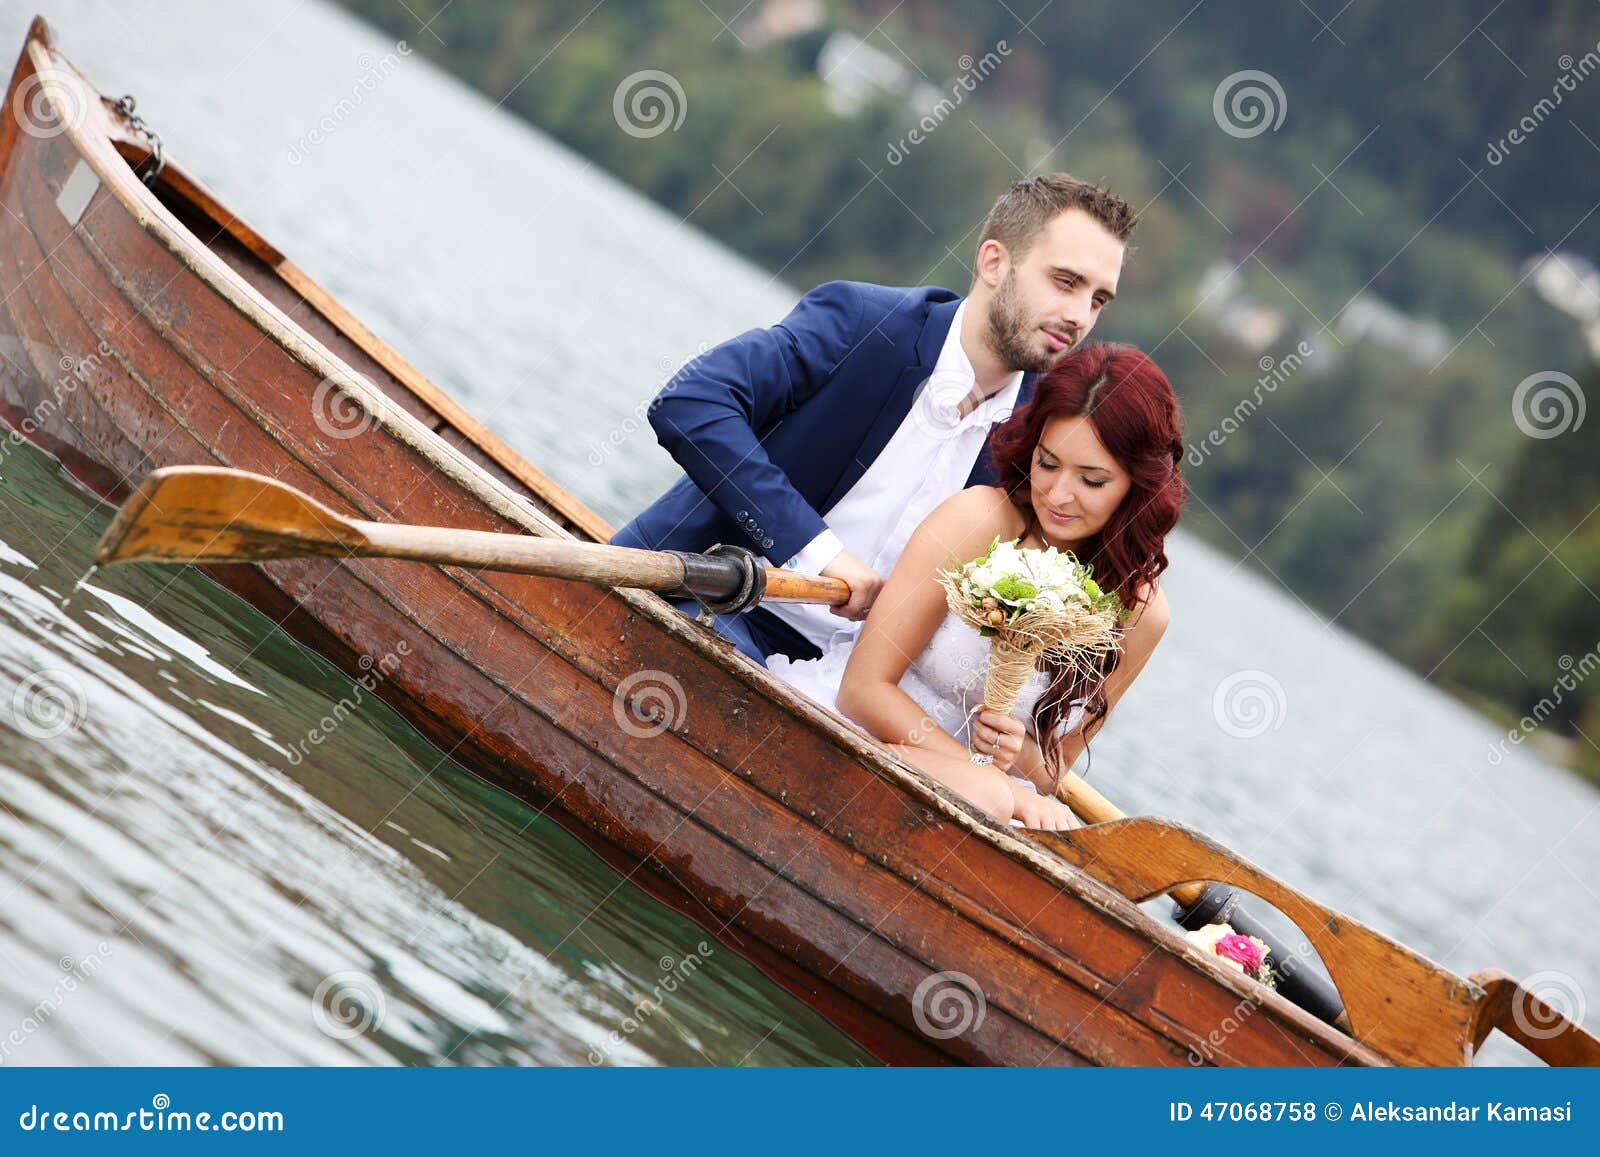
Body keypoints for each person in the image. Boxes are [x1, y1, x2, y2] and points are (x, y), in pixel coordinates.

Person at [611, 174, 1136, 667]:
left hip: (858, 684)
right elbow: (692, 401)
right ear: (994, 263)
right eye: (1065, 282)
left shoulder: (1048, 429)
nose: (1079, 316)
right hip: (706, 597)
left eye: (1098, 300)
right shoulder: (863, 322)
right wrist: (817, 552)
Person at [769, 344, 1187, 830]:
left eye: (1092, 480)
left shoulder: (1140, 614)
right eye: (1047, 463)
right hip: (859, 734)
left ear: (1139, 485)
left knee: (1058, 831)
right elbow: (862, 690)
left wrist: (1015, 753)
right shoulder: (980, 519)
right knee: (985, 795)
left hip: (989, 797)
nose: (1057, 494)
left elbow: (1051, 772)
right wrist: (991, 777)